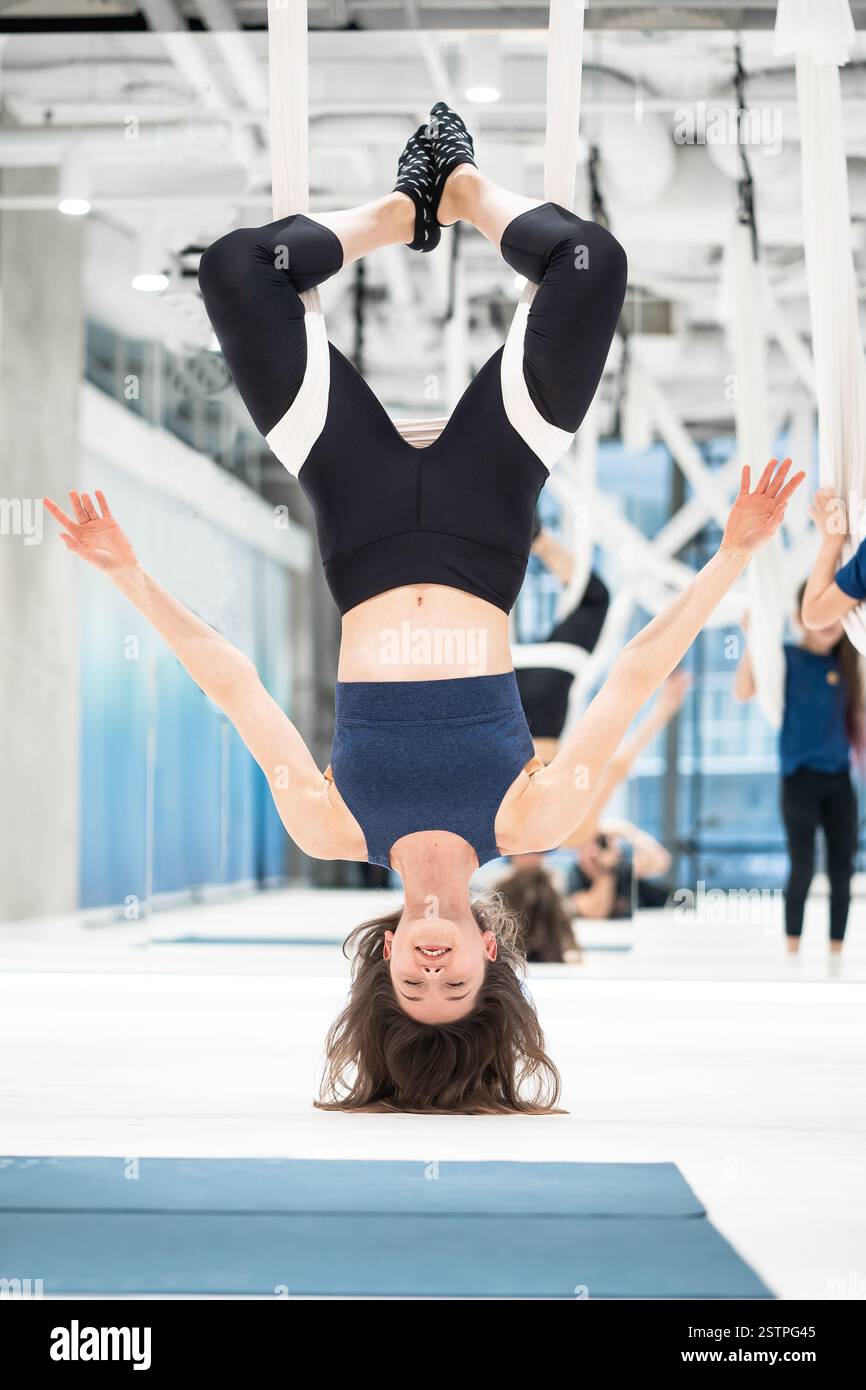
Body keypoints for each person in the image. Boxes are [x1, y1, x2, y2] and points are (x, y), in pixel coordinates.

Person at [44, 103, 803, 1113]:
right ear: (490, 954)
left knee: (234, 271)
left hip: (356, 516)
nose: (433, 965)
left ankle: (401, 211)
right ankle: (461, 193)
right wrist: (730, 554)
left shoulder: (331, 825)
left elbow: (232, 683)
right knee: (587, 265)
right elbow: (631, 674)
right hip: (484, 513)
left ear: (385, 953)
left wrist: (126, 573)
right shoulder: (532, 816)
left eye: (413, 979)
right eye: (455, 981)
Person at [735, 573, 863, 955]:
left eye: (837, 617)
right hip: (799, 780)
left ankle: (836, 951)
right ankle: (792, 950)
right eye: (820, 616)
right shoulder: (787, 659)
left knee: (843, 870)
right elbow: (743, 692)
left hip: (840, 781)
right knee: (802, 866)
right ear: (802, 615)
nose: (829, 626)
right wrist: (750, 639)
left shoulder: (852, 666)